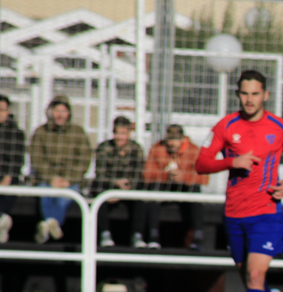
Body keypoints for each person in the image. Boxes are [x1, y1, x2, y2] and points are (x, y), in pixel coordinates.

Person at [196, 70, 283, 292]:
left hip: (267, 213)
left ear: (266, 95)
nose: (249, 99)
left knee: (256, 274)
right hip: (234, 213)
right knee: (249, 278)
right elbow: (202, 163)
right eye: (245, 93)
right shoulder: (226, 126)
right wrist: (233, 160)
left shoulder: (280, 127)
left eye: (255, 93)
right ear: (238, 94)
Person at [29, 95, 92, 244]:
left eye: (63, 111)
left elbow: (84, 159)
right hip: (46, 179)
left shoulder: (78, 132)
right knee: (45, 193)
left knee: (64, 197)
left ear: (69, 113)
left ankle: (48, 224)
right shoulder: (40, 132)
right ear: (50, 112)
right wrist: (51, 178)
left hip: (70, 181)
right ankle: (53, 224)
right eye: (56, 110)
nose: (60, 115)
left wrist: (68, 179)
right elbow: (37, 158)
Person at [143, 124, 210, 250]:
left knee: (196, 190)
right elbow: (147, 175)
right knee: (153, 189)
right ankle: (153, 236)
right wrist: (165, 176)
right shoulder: (157, 149)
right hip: (163, 187)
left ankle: (198, 237)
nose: (173, 143)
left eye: (176, 140)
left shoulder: (194, 150)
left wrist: (184, 177)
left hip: (185, 189)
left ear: (183, 139)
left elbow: (204, 177)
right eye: (170, 139)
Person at [93, 116, 147, 248]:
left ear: (129, 134)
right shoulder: (104, 147)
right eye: (116, 133)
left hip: (129, 188)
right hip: (108, 187)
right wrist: (114, 185)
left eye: (123, 133)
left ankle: (137, 235)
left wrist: (123, 191)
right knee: (97, 190)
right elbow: (100, 173)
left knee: (142, 194)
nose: (119, 137)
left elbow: (138, 173)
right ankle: (104, 234)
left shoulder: (136, 149)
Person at [0, 95, 25, 244]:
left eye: (2, 110)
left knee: (13, 184)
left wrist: (8, 177)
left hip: (7, 176)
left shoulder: (16, 133)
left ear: (8, 112)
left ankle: (2, 216)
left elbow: (17, 160)